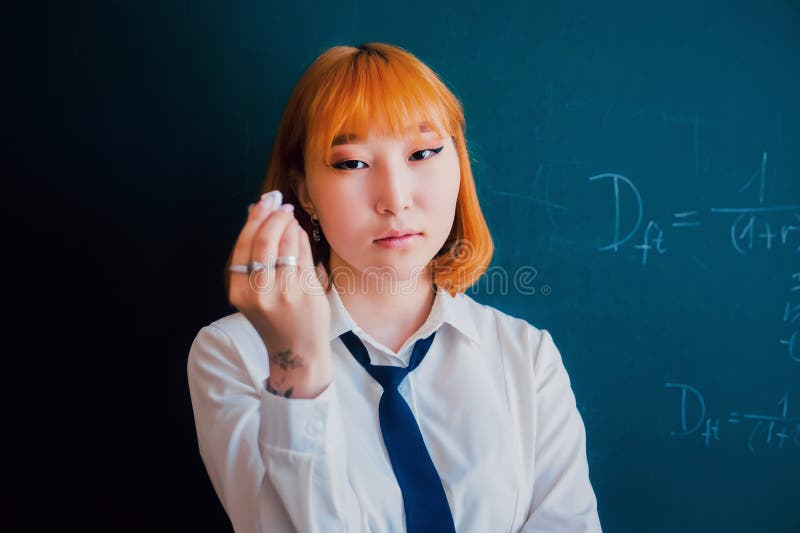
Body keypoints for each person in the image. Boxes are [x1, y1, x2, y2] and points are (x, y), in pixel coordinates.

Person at [187, 42, 602, 533]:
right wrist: (295, 359)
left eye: (423, 153)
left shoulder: (526, 357)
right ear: (304, 193)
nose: (395, 199)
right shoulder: (233, 354)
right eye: (352, 163)